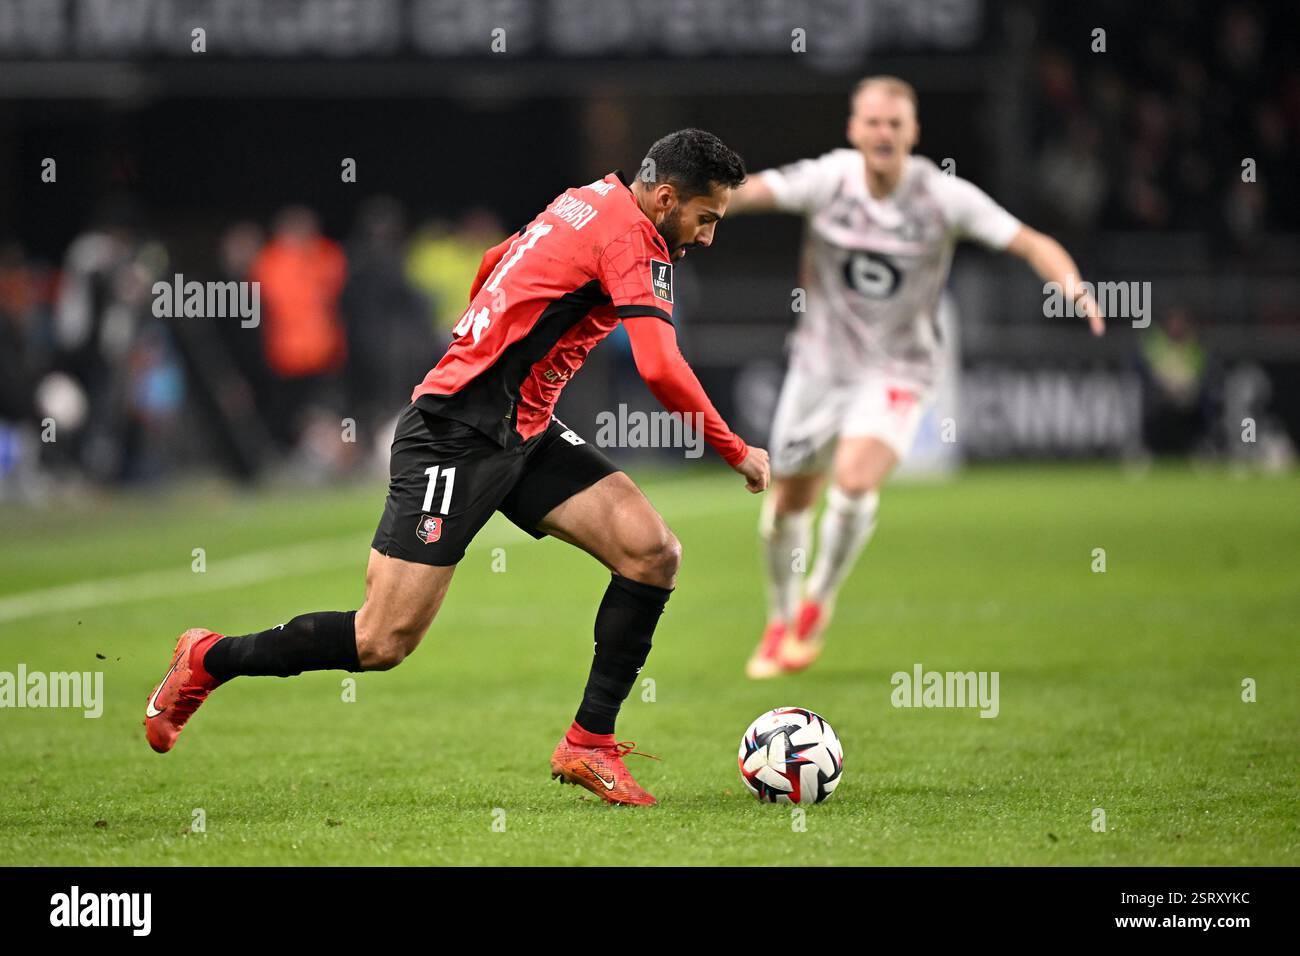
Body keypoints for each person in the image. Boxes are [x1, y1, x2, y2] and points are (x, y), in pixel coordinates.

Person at [143, 129, 770, 807]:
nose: (705, 237)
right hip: (455, 436)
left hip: (521, 428)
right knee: (381, 640)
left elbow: (497, 260)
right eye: (705, 219)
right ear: (668, 198)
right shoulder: (633, 236)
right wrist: (736, 448)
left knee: (652, 552)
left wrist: (481, 340)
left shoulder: (589, 198)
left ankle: (589, 742)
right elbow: (658, 365)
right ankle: (209, 657)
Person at [727, 76, 1105, 678]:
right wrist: (700, 196)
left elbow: (1030, 242)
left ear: (913, 133)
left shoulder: (940, 196)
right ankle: (780, 617)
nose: (883, 133)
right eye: (872, 122)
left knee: (852, 480)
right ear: (854, 130)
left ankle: (817, 603)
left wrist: (1072, 285)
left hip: (898, 368)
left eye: (894, 124)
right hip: (819, 367)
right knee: (785, 504)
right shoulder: (830, 178)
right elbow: (753, 192)